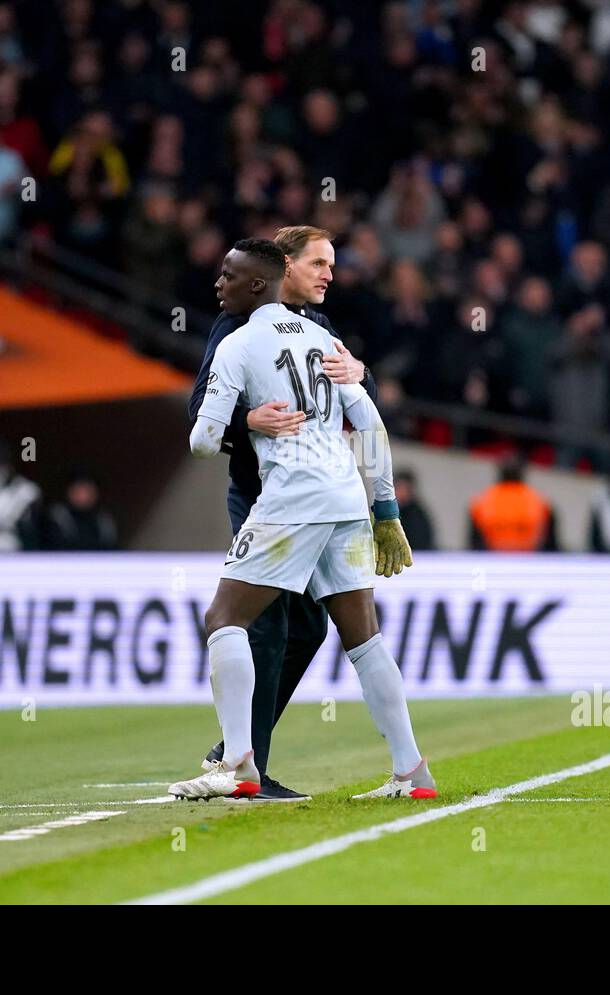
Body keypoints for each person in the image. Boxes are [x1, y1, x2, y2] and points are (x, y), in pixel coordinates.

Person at [169, 238, 434, 802]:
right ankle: (412, 772)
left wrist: (246, 424)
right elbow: (370, 424)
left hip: (289, 500)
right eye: (321, 264)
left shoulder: (237, 342)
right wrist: (385, 508)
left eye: (228, 276)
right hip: (346, 498)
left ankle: (239, 764)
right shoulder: (325, 340)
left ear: (257, 283)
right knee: (364, 638)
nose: (219, 286)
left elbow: (200, 439)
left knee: (223, 620)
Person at [468, 456, 556, 551]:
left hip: (492, 559)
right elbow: (551, 543)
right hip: (529, 560)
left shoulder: (481, 501)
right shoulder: (540, 501)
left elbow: (474, 543)